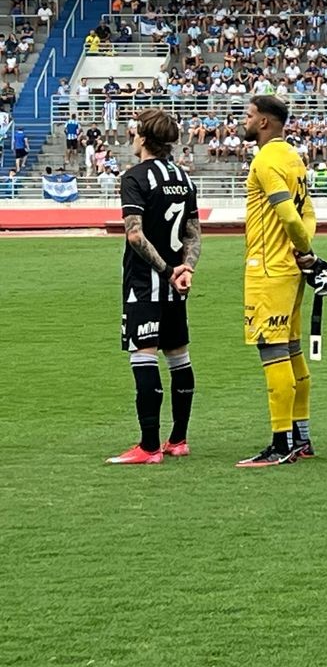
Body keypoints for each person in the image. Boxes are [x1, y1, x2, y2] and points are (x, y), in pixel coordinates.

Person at [105, 110, 201, 465]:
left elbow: (134, 234)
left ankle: (148, 447)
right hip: (177, 284)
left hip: (146, 283)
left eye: (134, 134)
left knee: (143, 355)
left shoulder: (134, 178)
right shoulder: (184, 178)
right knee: (178, 355)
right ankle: (178, 440)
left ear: (143, 139)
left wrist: (165, 270)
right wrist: (186, 268)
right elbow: (193, 233)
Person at [238, 94, 318, 468]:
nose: (245, 120)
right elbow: (308, 211)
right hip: (290, 267)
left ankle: (280, 441)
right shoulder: (293, 158)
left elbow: (288, 214)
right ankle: (301, 437)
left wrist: (303, 247)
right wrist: (305, 252)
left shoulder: (266, 159)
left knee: (272, 353)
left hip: (268, 266)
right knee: (293, 351)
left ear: (265, 122)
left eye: (249, 115)